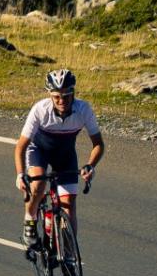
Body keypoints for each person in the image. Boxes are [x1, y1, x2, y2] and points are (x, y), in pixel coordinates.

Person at [13, 68, 104, 253]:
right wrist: (20, 174)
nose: (62, 101)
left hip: (65, 154)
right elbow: (21, 146)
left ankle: (69, 255)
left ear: (73, 93)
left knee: (69, 206)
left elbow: (98, 144)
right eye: (56, 97)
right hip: (39, 151)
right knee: (38, 186)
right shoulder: (40, 110)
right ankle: (30, 218)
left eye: (66, 96)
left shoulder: (83, 110)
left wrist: (90, 166)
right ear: (50, 95)